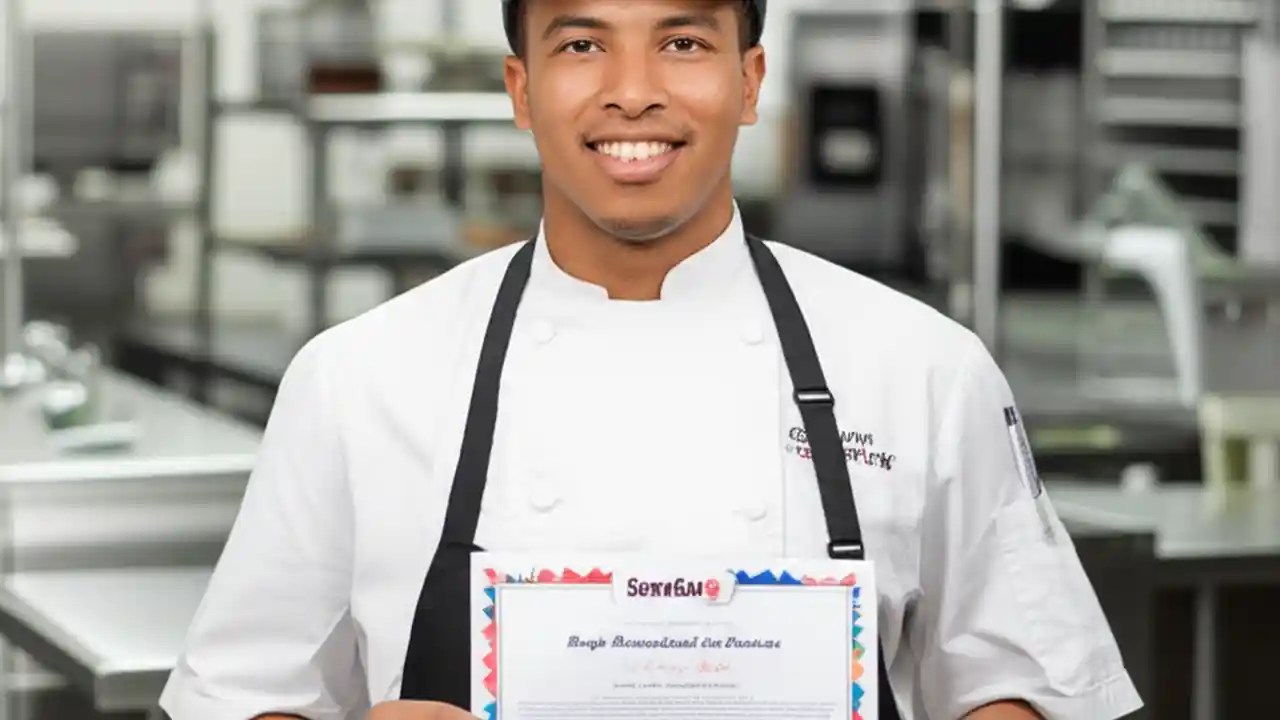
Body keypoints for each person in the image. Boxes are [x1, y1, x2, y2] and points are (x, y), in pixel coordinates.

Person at [160, 1, 1144, 719]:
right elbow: (240, 697)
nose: (632, 93)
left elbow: (1027, 690)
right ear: (521, 88)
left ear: (750, 81)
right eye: (581, 44)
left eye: (681, 43)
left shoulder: (922, 369)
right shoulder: (357, 379)